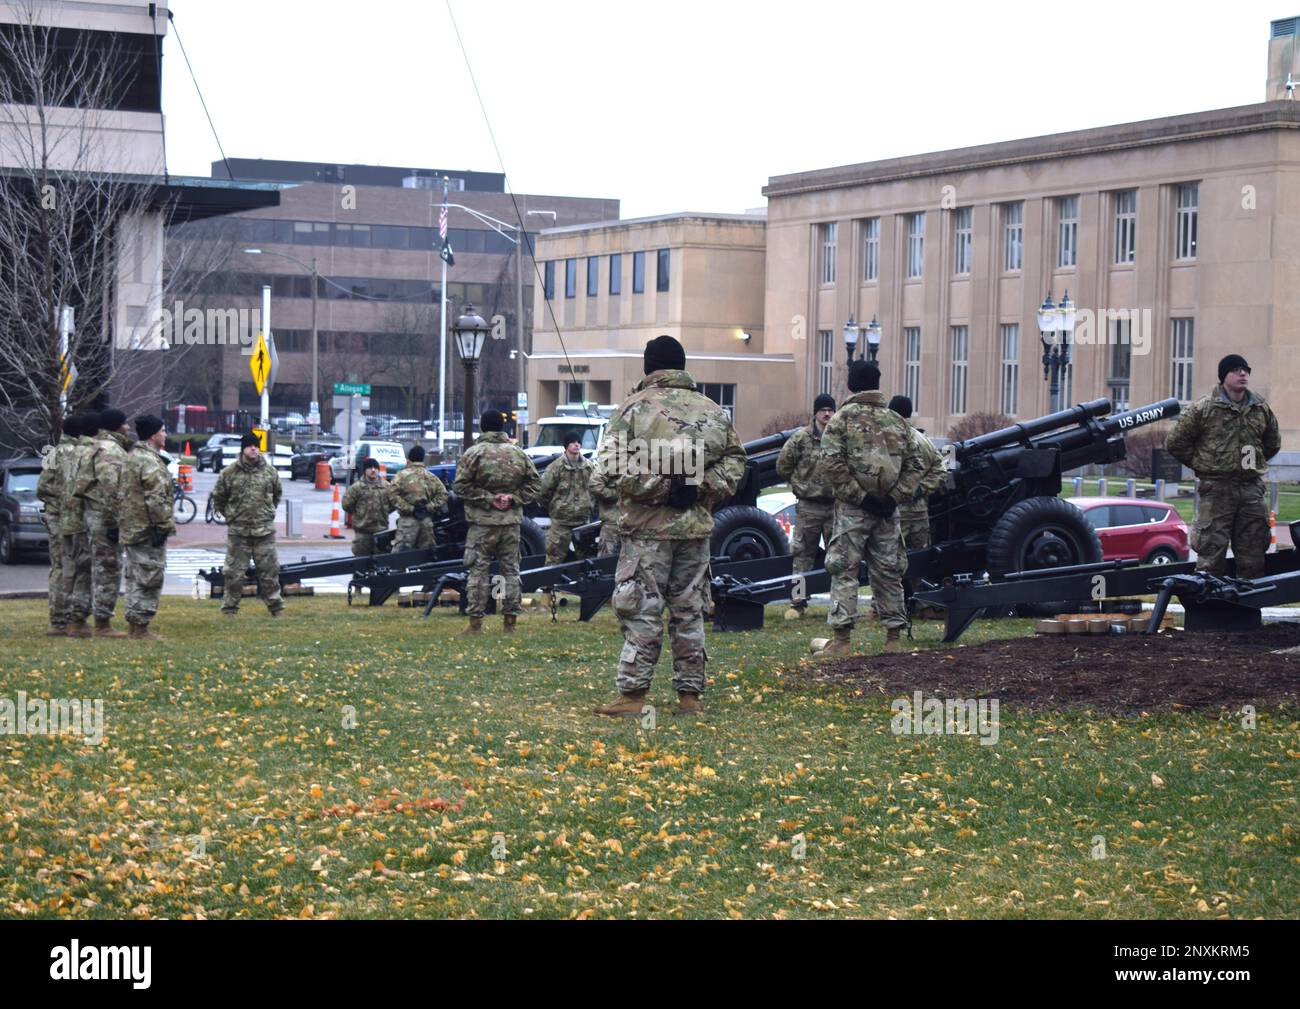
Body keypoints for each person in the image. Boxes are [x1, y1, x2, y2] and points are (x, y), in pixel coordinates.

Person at [593, 335, 746, 718]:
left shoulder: (631, 409)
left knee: (641, 608)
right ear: (681, 365)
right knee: (689, 610)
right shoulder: (713, 410)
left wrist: (662, 487)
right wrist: (695, 487)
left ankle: (633, 695)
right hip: (694, 528)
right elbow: (735, 462)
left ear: (649, 366)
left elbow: (612, 466)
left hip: (647, 529)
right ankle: (690, 697)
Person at [819, 361, 919, 657]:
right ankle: (893, 639)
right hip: (888, 512)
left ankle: (842, 640)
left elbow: (831, 462)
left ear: (851, 384)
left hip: (853, 511)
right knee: (889, 571)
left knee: (844, 571)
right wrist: (894, 497)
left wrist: (860, 497)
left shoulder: (842, 420)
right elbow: (916, 463)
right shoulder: (897, 421)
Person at [1166, 353, 1281, 579]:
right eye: (1236, 369)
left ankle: (1248, 606)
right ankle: (1211, 609)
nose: (1243, 374)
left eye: (1246, 370)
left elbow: (1272, 442)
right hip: (1217, 489)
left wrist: (1252, 463)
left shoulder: (1259, 407)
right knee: (1210, 553)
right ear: (1223, 376)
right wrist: (1203, 463)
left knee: (1253, 552)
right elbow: (1176, 443)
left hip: (1250, 490)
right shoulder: (1204, 408)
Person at [452, 410, 542, 634]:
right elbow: (535, 485)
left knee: (478, 572)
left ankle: (475, 623)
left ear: (482, 427)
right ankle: (510, 623)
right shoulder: (518, 454)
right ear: (503, 427)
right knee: (511, 571)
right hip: (510, 523)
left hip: (482, 523)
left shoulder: (474, 454)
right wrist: (513, 498)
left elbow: (460, 486)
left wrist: (489, 499)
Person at [776, 393, 837, 620]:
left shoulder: (839, 439)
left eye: (830, 409)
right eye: (822, 410)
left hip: (834, 507)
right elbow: (783, 465)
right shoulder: (801, 438)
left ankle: (838, 604)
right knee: (802, 556)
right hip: (809, 506)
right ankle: (798, 602)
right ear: (816, 412)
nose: (827, 414)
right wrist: (799, 483)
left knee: (838, 557)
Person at [211, 433, 285, 617]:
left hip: (264, 531)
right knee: (234, 573)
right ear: (242, 449)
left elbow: (276, 496)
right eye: (249, 446)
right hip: (239, 533)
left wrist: (267, 513)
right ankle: (230, 609)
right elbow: (219, 498)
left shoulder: (270, 472)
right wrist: (231, 516)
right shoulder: (229, 473)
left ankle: (276, 608)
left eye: (256, 445)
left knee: (269, 572)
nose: (253, 448)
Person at [76, 408, 132, 637]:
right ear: (117, 426)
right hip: (104, 518)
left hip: (94, 514)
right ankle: (102, 624)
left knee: (98, 567)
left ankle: (93, 619)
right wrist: (113, 523)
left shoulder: (96, 446)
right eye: (125, 424)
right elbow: (111, 490)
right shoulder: (110, 450)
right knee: (107, 568)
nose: (128, 428)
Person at [118, 415, 174, 639]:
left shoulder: (132, 456)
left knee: (135, 576)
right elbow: (155, 499)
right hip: (147, 529)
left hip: (132, 527)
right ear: (153, 435)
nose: (165, 434)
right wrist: (163, 525)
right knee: (149, 577)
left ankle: (135, 625)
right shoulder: (150, 461)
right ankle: (140, 627)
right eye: (163, 430)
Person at [36, 413, 80, 636]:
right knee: (69, 568)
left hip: (56, 517)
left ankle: (59, 618)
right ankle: (66, 618)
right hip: (67, 518)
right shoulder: (77, 454)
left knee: (59, 568)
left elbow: (42, 488)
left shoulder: (53, 453)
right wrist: (67, 501)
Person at [58, 410, 99, 638]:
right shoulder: (89, 454)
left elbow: (50, 485)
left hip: (67, 518)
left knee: (69, 571)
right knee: (83, 570)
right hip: (81, 521)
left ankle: (64, 616)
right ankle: (77, 619)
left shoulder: (66, 453)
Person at [887, 396, 946, 551]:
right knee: (919, 560)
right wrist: (921, 489)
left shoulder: (886, 438)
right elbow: (940, 469)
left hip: (892, 511)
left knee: (890, 561)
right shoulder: (923, 440)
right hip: (918, 512)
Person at [538, 431, 596, 566]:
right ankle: (549, 586)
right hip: (561, 521)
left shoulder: (588, 466)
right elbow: (543, 491)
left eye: (578, 442)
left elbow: (596, 487)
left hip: (583, 520)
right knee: (554, 557)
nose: (576, 445)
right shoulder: (556, 467)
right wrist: (554, 507)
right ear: (566, 446)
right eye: (572, 442)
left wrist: (589, 505)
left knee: (586, 557)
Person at [390, 445, 447, 550]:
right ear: (422, 459)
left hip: (407, 523)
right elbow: (443, 495)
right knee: (426, 556)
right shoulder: (431, 477)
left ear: (409, 460)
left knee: (400, 558)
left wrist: (409, 508)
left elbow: (392, 495)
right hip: (426, 521)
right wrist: (429, 507)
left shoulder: (400, 476)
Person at [342, 458, 395, 556]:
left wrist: (385, 510)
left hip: (381, 531)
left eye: (375, 468)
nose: (373, 470)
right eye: (370, 468)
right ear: (365, 470)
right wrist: (359, 512)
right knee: (361, 562)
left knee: (382, 562)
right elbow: (346, 504)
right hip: (363, 532)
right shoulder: (357, 487)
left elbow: (394, 502)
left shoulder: (387, 487)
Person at [588, 446, 622, 557]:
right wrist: (616, 495)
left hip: (633, 524)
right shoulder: (611, 462)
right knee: (607, 562)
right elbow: (595, 485)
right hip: (613, 523)